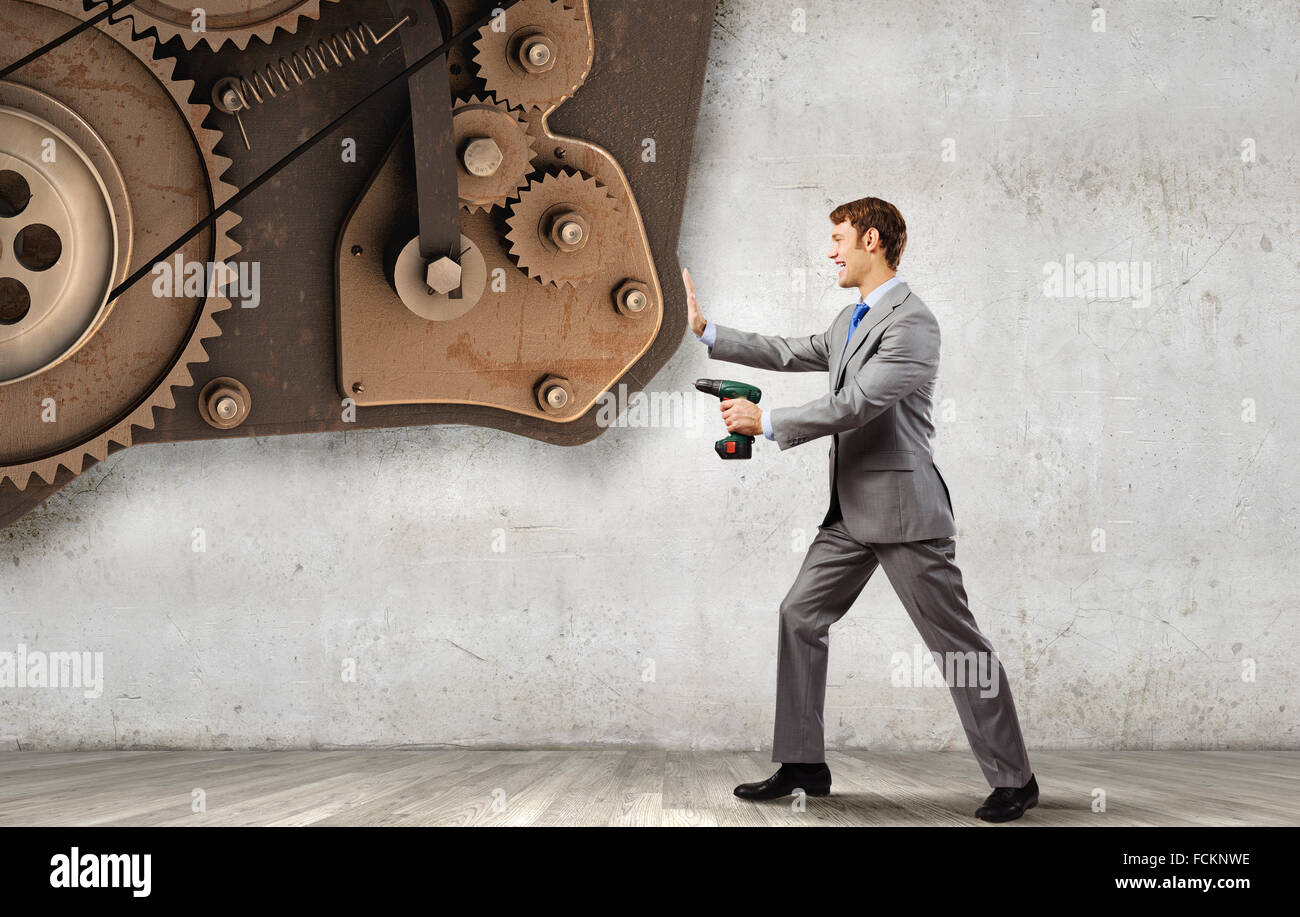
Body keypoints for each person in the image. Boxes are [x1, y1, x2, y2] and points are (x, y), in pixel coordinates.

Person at [682, 196, 1038, 822]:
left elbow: (858, 404)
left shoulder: (913, 323)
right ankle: (803, 764)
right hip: (848, 511)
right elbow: (792, 351)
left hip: (903, 511)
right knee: (799, 615)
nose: (831, 251)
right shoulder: (851, 318)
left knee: (956, 644)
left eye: (839, 238)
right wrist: (710, 331)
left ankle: (1016, 779)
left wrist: (766, 423)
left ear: (872, 240)